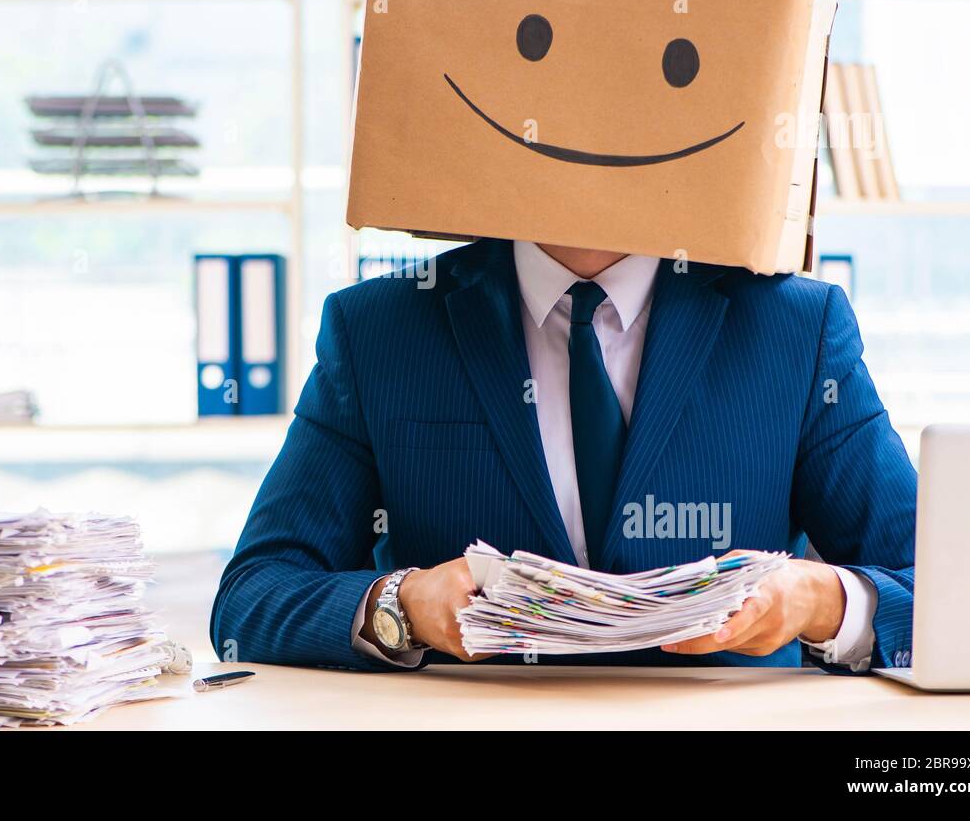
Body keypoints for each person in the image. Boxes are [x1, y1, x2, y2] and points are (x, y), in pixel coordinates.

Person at [210, 237, 916, 672]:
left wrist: (820, 601)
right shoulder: (381, 327)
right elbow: (251, 599)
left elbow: (939, 590)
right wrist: (404, 608)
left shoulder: (795, 325)